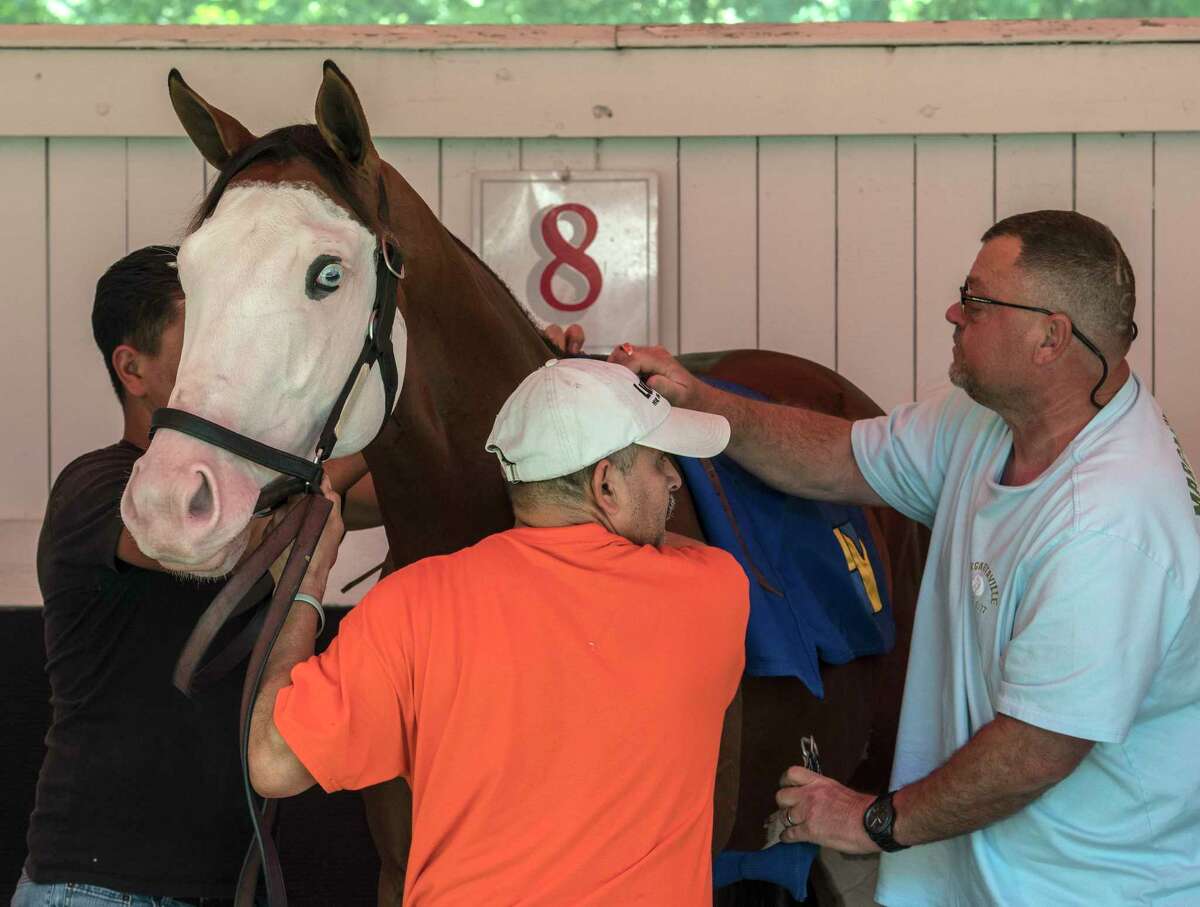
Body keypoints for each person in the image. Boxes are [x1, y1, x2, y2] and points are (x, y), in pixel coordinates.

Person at [610, 210, 1200, 905]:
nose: (954, 310)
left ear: (1051, 337)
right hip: (990, 875)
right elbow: (840, 459)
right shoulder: (985, 422)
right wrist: (706, 404)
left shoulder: (1111, 521)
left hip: (1089, 888)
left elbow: (1037, 750)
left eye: (978, 300)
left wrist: (873, 820)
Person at [245, 357, 750, 905]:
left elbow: (273, 764)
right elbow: (667, 548)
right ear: (605, 484)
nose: (676, 477)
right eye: (659, 461)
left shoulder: (413, 605)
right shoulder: (713, 590)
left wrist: (306, 582)